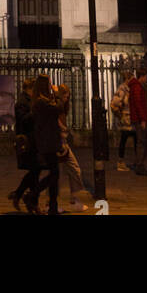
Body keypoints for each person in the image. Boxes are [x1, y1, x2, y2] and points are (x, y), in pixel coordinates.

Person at [54, 82, 93, 212]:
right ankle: (54, 202)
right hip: (58, 143)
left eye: (68, 97)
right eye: (65, 97)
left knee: (71, 170)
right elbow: (55, 119)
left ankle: (72, 199)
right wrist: (63, 128)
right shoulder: (56, 105)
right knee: (60, 173)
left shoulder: (62, 107)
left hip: (62, 142)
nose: (67, 100)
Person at [30, 74, 63, 214]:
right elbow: (58, 109)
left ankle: (53, 206)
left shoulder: (41, 101)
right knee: (54, 173)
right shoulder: (41, 102)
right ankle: (33, 194)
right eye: (49, 83)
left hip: (48, 139)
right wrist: (57, 94)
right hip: (47, 141)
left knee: (54, 174)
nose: (51, 85)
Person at [9, 78, 41, 213]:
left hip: (34, 141)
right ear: (31, 89)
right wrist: (35, 111)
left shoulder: (29, 101)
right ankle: (30, 200)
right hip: (27, 141)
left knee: (36, 171)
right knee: (35, 170)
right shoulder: (22, 102)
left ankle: (21, 195)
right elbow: (23, 120)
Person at [128, 67, 147, 176]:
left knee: (142, 142)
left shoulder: (136, 87)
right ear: (142, 77)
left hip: (139, 118)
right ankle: (140, 165)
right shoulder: (137, 88)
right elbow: (139, 104)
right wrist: (143, 119)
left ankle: (138, 163)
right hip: (140, 119)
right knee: (143, 142)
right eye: (146, 76)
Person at [110, 72, 137, 171]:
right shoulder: (123, 88)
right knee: (125, 140)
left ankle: (134, 161)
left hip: (131, 119)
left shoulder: (127, 88)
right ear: (127, 79)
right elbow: (115, 102)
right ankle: (121, 162)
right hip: (126, 119)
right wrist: (120, 113)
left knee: (134, 140)